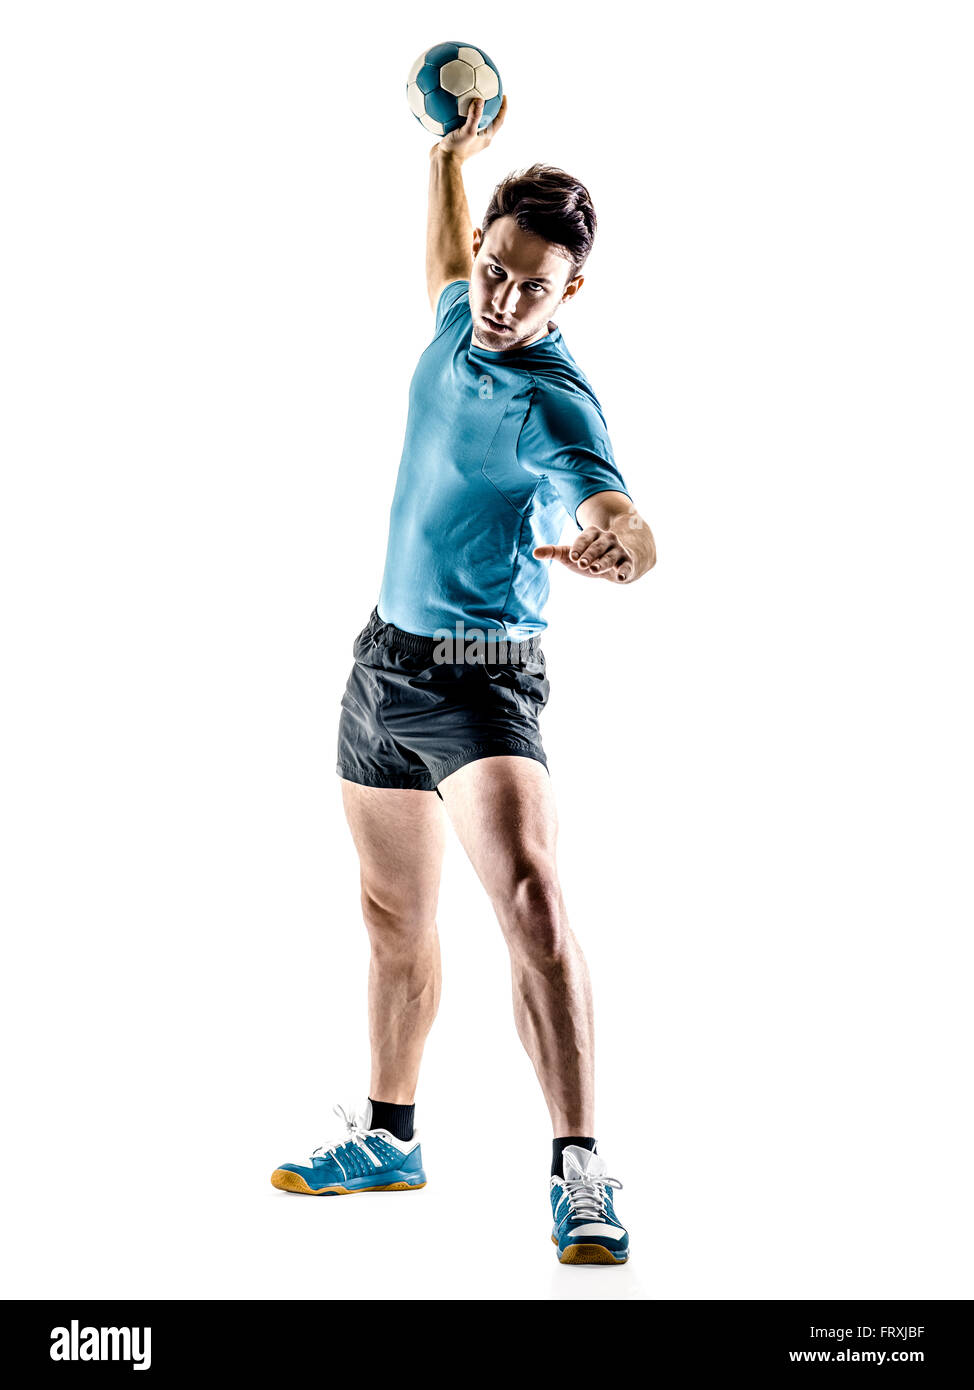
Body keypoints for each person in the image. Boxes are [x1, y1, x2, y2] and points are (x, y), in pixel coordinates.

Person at [271, 95, 657, 1265]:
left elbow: (624, 517)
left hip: (485, 679)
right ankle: (391, 1137)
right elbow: (444, 255)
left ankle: (580, 1171)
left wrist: (617, 544)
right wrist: (449, 161)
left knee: (531, 906)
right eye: (495, 269)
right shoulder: (455, 315)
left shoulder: (554, 397)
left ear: (570, 292)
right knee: (393, 915)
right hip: (381, 664)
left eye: (531, 285)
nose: (500, 298)